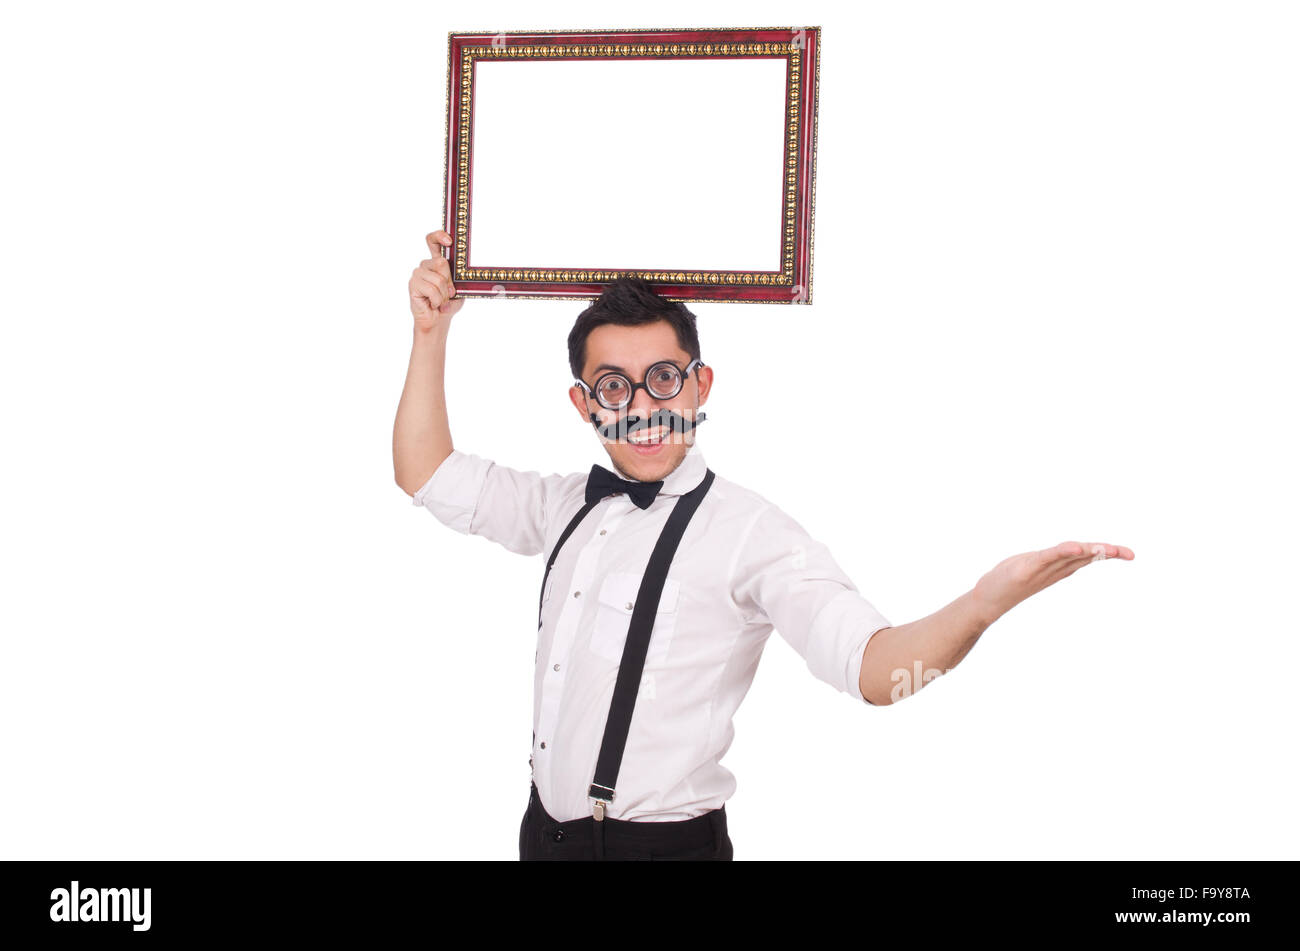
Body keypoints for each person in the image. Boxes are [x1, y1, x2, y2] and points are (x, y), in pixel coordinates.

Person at [393, 230, 1135, 861]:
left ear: (699, 384)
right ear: (584, 404)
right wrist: (432, 333)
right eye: (614, 387)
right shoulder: (564, 505)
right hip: (539, 836)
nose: (643, 407)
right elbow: (425, 473)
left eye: (662, 379)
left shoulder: (750, 533)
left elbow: (876, 673)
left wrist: (981, 606)